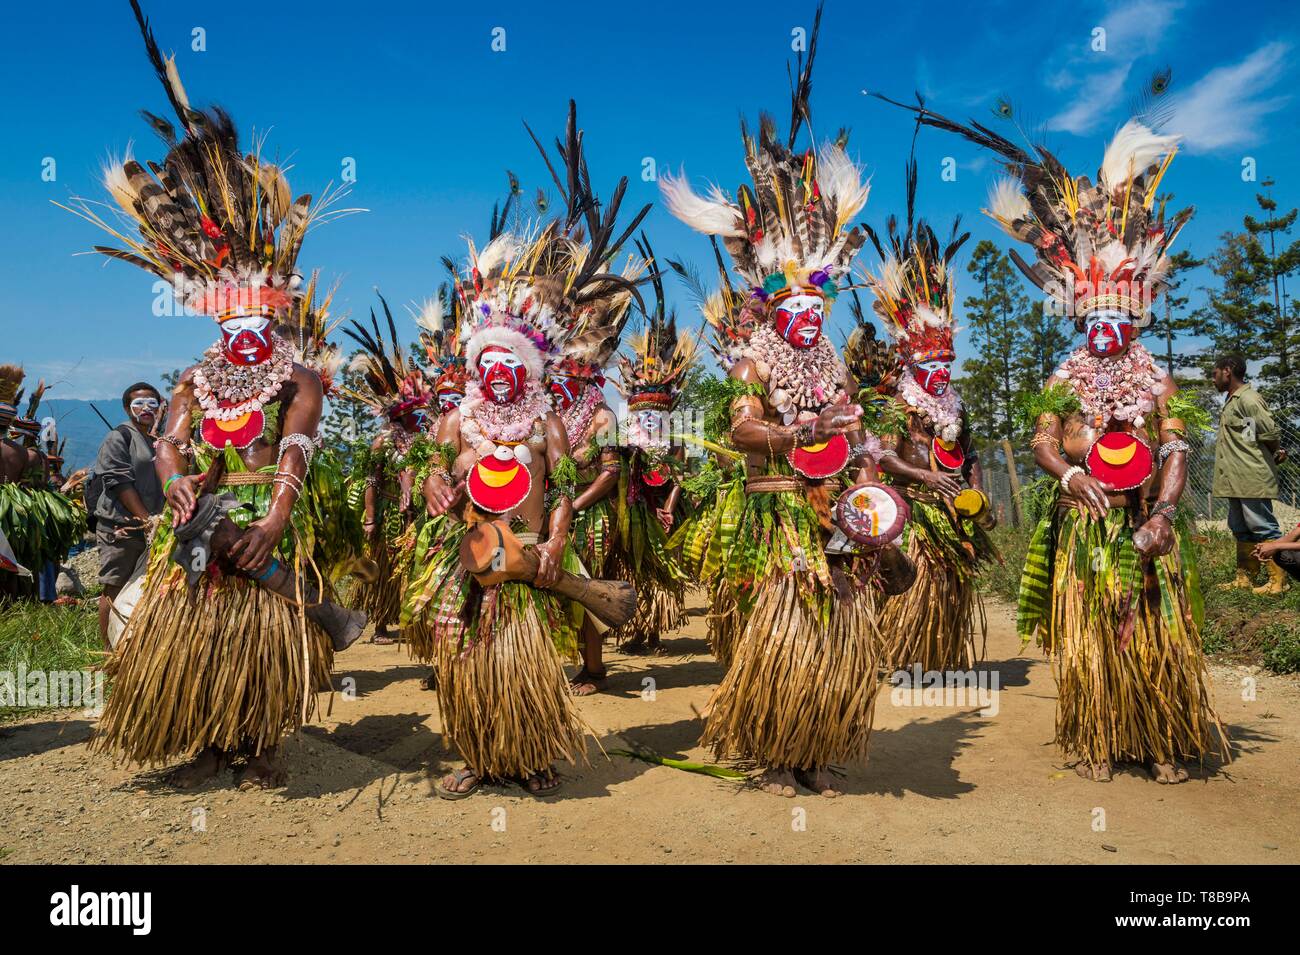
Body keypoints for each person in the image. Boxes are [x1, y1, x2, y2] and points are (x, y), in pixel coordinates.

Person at [64, 1, 360, 788]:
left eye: (260, 313)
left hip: (260, 516)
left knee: (260, 633)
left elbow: (296, 443)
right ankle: (204, 737)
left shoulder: (296, 378)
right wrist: (181, 475)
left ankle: (259, 740)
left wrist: (275, 516)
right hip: (202, 522)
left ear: (275, 304)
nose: (246, 328)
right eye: (233, 316)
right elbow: (169, 436)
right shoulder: (195, 377)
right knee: (198, 631)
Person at [893, 96, 1229, 782]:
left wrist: (1164, 512)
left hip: (1145, 529)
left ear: (1135, 316)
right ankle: (1100, 737)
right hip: (1085, 522)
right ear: (1081, 316)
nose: (1104, 332)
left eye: (1117, 320)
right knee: (1095, 635)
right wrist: (1070, 475)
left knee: (1154, 631)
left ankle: (1159, 737)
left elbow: (1177, 450)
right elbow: (1043, 441)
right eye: (1094, 320)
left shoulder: (1159, 384)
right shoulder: (1065, 377)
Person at [660, 30, 890, 798]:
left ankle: (817, 748)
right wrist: (796, 433)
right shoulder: (755, 356)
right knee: (784, 628)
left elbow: (853, 424)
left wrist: (864, 454)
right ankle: (773, 752)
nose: (806, 315)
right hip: (776, 512)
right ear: (771, 301)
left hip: (834, 510)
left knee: (835, 632)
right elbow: (739, 427)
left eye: (815, 302)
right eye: (792, 303)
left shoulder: (832, 356)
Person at [414, 101, 649, 799]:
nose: (498, 373)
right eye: (487, 362)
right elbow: (429, 465)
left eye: (510, 363)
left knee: (531, 656)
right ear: (476, 364)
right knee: (465, 658)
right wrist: (433, 482)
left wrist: (555, 540)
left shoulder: (548, 424)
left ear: (530, 366)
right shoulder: (456, 422)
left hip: (533, 557)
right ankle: (479, 755)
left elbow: (569, 485)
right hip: (468, 552)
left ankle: (533, 754)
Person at [856, 167, 996, 674]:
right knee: (915, 578)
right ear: (911, 362)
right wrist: (924, 477)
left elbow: (972, 452)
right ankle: (898, 655)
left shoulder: (956, 403)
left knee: (951, 584)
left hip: (953, 508)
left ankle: (937, 658)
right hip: (911, 509)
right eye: (929, 366)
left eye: (945, 365)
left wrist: (976, 492)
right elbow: (881, 455)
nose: (939, 374)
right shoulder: (897, 400)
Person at [608, 252, 694, 656]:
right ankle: (637, 627)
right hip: (635, 496)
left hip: (662, 500)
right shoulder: (626, 420)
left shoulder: (680, 425)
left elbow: (682, 467)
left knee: (658, 563)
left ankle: (654, 630)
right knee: (632, 561)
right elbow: (622, 451)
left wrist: (669, 505)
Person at [341, 294, 436, 645]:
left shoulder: (426, 437)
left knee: (414, 566)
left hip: (419, 513)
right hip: (387, 511)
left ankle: (413, 621)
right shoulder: (383, 442)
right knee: (382, 570)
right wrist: (370, 516)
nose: (412, 417)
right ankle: (380, 622)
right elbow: (370, 478)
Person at [91, 382, 165, 644]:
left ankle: (133, 643)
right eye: (138, 404)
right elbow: (119, 482)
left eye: (152, 403)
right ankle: (107, 650)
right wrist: (147, 519)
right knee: (115, 585)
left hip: (153, 528)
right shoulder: (119, 438)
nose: (146, 408)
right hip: (121, 527)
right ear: (127, 408)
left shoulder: (158, 440)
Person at [1211, 354, 1288, 594]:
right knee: (1240, 527)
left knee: (1263, 527)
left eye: (1215, 373)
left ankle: (1278, 581)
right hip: (1235, 478)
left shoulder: (1249, 399)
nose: (1213, 379)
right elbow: (1249, 434)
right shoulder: (1232, 400)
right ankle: (1245, 578)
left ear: (1228, 370)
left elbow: (1269, 430)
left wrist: (1277, 450)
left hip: (1251, 476)